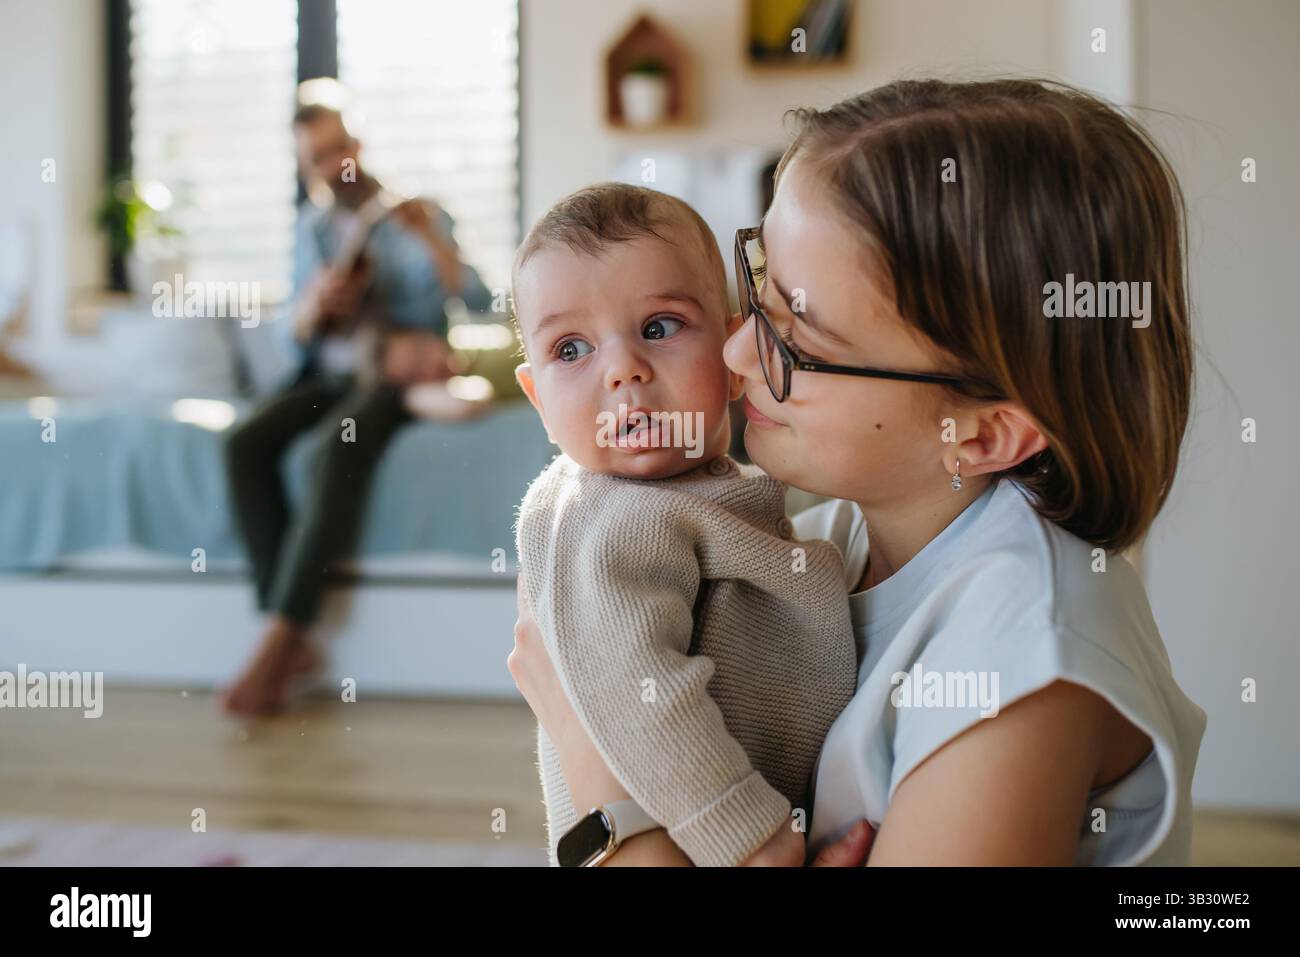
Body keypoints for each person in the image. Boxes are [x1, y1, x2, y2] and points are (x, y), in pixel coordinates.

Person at [507, 78, 1207, 866]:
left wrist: (588, 757)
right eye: (761, 290)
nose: (737, 353)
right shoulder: (834, 536)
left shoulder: (1019, 678)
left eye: (801, 338)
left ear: (983, 434)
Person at [511, 183, 857, 866]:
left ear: (732, 353)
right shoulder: (598, 516)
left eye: (659, 328)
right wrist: (752, 839)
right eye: (571, 349)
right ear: (537, 400)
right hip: (694, 838)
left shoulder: (702, 494)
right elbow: (633, 686)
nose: (624, 371)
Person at [221, 81, 492, 715]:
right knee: (243, 444)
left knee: (331, 448)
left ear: (358, 145)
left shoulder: (418, 214)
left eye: (338, 148)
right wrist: (312, 311)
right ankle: (285, 625)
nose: (331, 165)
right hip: (325, 375)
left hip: (391, 377)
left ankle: (284, 635)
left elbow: (479, 300)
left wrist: (433, 244)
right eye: (316, 157)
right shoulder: (311, 229)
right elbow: (294, 339)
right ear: (303, 166)